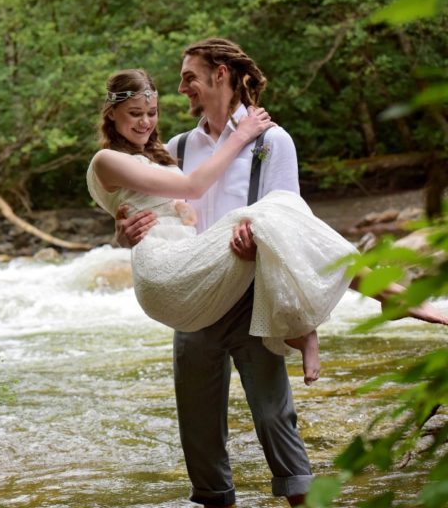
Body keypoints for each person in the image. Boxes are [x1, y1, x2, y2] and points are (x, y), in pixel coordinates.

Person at [109, 39, 447, 508]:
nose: (182, 87)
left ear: (220, 75)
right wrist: (127, 233)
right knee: (200, 435)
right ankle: (383, 292)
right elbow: (153, 215)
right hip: (195, 294)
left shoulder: (272, 140)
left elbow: (295, 226)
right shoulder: (176, 148)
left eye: (190, 76)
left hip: (252, 294)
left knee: (274, 421)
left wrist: (255, 255)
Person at [88, 68, 355, 383]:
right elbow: (193, 188)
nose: (145, 122)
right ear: (112, 112)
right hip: (167, 271)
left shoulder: (160, 156)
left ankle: (298, 328)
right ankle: (376, 295)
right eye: (135, 113)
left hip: (197, 260)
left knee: (274, 215)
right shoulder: (106, 159)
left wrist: (135, 229)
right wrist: (241, 135)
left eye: (152, 112)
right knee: (265, 213)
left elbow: (177, 211)